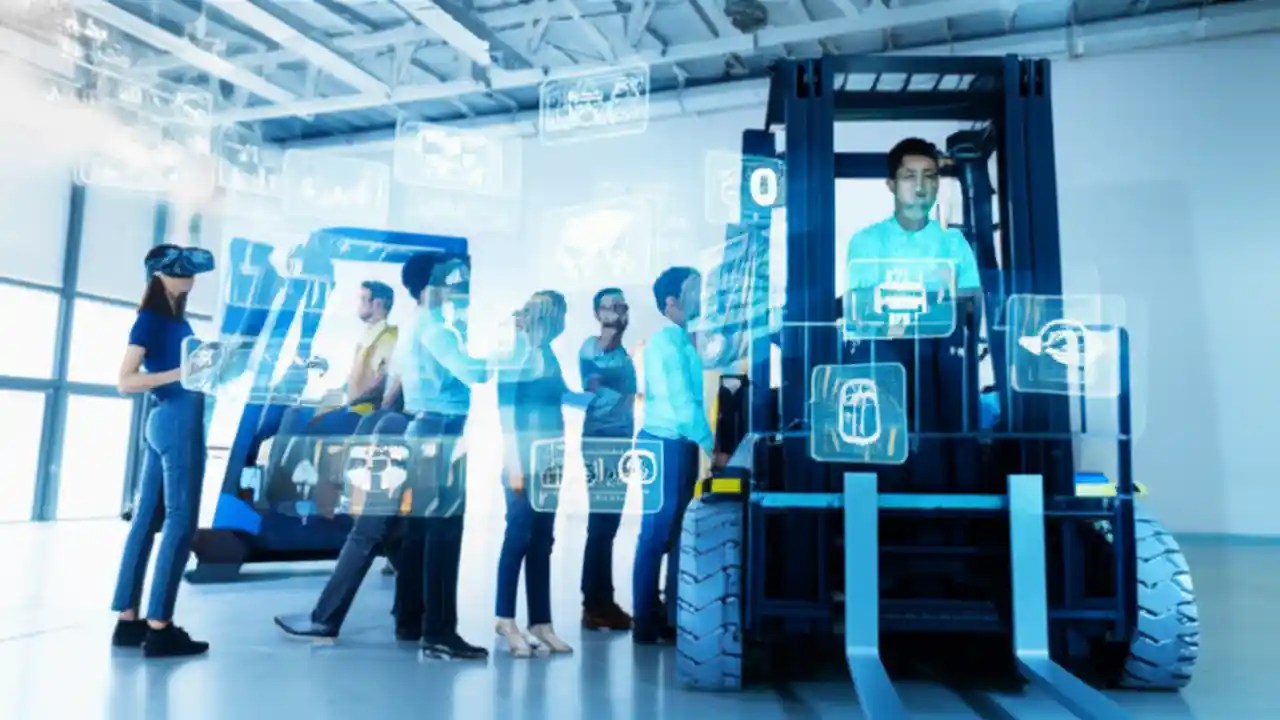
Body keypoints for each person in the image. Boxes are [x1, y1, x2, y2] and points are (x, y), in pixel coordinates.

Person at [845, 137, 999, 427]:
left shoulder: (953, 243)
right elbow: (862, 309)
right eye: (909, 176)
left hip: (942, 363)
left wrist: (904, 306)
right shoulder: (867, 241)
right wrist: (933, 298)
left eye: (930, 176)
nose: (920, 186)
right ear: (891, 185)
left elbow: (969, 308)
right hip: (887, 364)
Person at [110, 244, 215, 658]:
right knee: (179, 521)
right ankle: (160, 626)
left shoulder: (173, 319)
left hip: (167, 418)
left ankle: (129, 621)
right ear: (160, 275)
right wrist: (183, 372)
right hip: (176, 419)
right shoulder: (151, 319)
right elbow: (125, 380)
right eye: (181, 270)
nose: (190, 276)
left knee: (145, 520)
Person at [389, 251, 491, 660]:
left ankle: (410, 620)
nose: (457, 284)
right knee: (445, 533)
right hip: (443, 431)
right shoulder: (436, 328)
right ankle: (440, 631)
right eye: (449, 278)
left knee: (419, 532)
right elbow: (473, 372)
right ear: (430, 284)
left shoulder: (420, 325)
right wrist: (506, 350)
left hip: (424, 429)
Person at [632, 267, 729, 644]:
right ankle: (645, 618)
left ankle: (670, 616)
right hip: (664, 444)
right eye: (693, 289)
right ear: (670, 301)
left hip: (679, 444)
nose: (700, 296)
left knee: (674, 533)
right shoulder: (665, 344)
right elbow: (683, 403)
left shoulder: (683, 342)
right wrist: (711, 445)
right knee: (656, 533)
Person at [494, 291, 574, 657]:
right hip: (523, 462)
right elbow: (506, 414)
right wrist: (514, 465)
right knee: (518, 538)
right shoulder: (517, 354)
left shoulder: (548, 355)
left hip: (550, 461)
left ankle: (541, 622)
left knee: (543, 540)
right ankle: (505, 619)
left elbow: (560, 397)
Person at [578, 287, 636, 631]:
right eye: (608, 306)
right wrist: (616, 329)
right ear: (598, 314)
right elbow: (598, 381)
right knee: (601, 524)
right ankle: (594, 603)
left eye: (620, 305)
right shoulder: (592, 346)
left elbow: (626, 394)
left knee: (608, 524)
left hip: (620, 441)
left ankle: (603, 599)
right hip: (601, 440)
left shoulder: (624, 352)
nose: (616, 310)